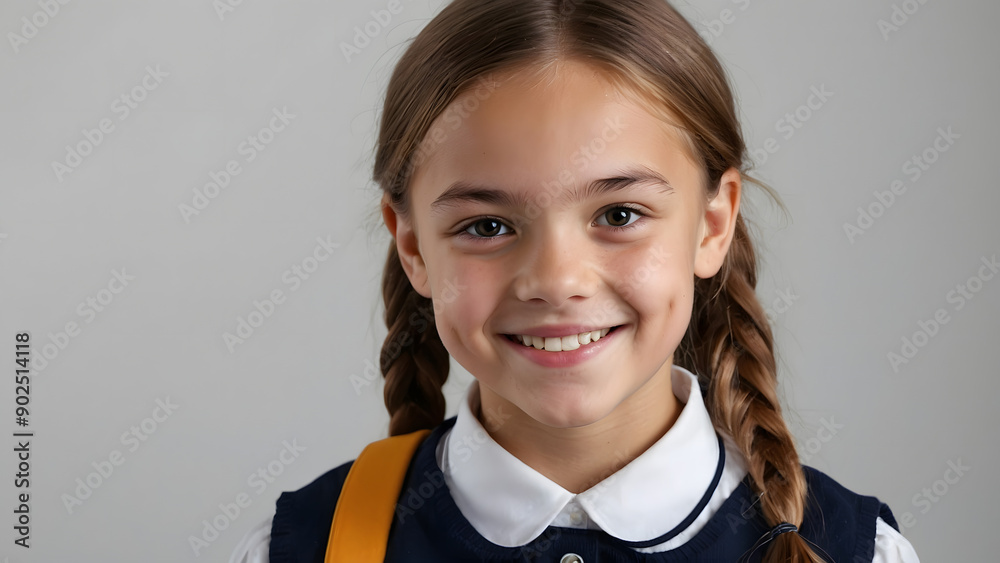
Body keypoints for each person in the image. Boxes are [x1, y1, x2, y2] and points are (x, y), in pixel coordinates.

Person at [232, 0, 920, 561]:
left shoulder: (858, 550)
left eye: (619, 214)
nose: (556, 280)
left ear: (713, 225)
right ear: (412, 244)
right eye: (487, 225)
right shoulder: (295, 547)